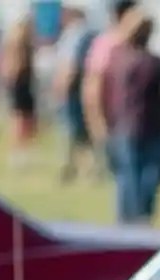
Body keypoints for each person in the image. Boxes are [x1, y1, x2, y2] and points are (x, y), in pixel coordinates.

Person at [108, 10, 160, 224]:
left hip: (127, 126)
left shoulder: (119, 59)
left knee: (129, 178)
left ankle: (128, 220)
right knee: (143, 179)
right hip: (148, 126)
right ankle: (140, 219)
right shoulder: (153, 62)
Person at [83, 0, 139, 174]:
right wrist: (97, 118)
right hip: (115, 118)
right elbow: (95, 84)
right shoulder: (109, 43)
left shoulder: (133, 43)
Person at [52, 1, 98, 182]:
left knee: (71, 130)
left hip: (73, 91)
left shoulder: (75, 34)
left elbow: (69, 65)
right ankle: (90, 169)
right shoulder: (91, 33)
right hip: (83, 89)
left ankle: (69, 168)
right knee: (84, 131)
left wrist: (61, 88)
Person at [0, 18, 37, 171]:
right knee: (19, 120)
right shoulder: (16, 44)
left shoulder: (25, 44)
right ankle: (16, 153)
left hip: (24, 83)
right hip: (19, 84)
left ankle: (21, 151)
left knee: (25, 120)